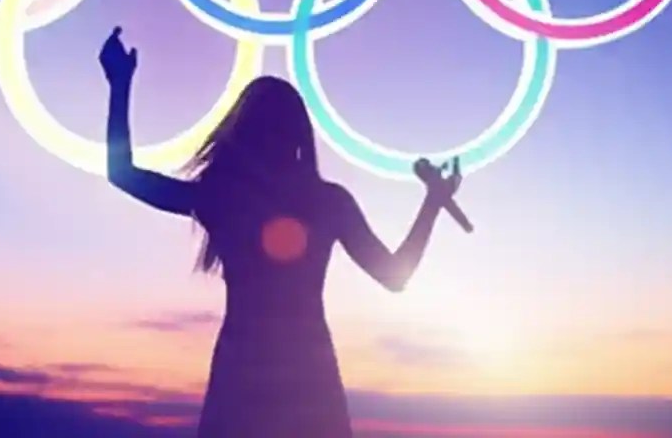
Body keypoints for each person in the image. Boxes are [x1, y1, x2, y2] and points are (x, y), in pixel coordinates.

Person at [98, 27, 465, 438]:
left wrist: (120, 85)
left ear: (243, 133)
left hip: (243, 371)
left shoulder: (223, 198)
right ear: (296, 135)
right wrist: (432, 202)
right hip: (309, 373)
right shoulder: (326, 202)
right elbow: (395, 275)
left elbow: (122, 174)